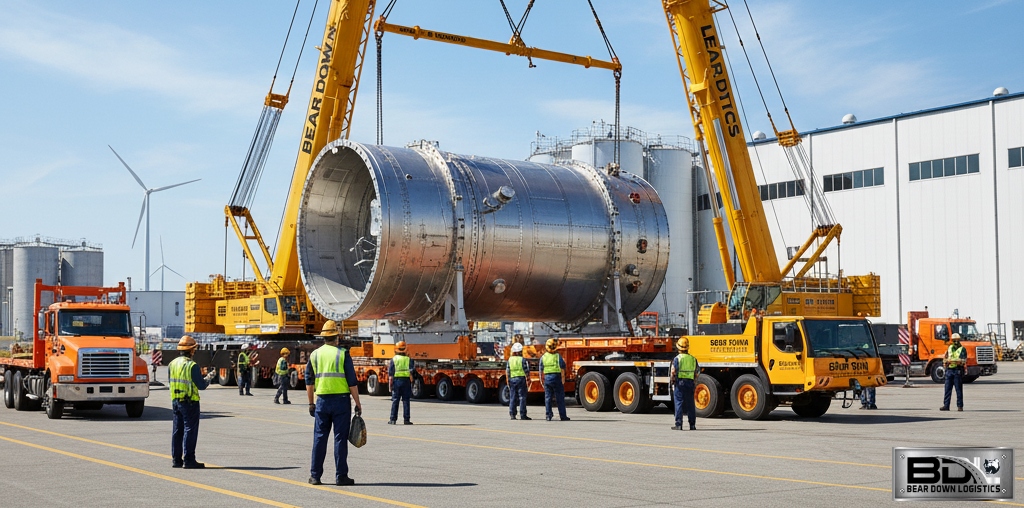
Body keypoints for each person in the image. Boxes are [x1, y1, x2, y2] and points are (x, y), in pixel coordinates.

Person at [307, 320, 363, 486]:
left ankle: (315, 476)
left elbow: (309, 382)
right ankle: (341, 476)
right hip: (341, 402)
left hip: (322, 401)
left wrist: (311, 403)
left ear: (324, 337)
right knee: (340, 439)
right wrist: (358, 403)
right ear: (336, 337)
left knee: (319, 438)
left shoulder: (315, 355)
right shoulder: (343, 354)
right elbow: (352, 381)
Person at [169, 335, 216, 468]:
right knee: (190, 430)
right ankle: (189, 460)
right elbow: (201, 385)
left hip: (176, 401)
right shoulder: (192, 365)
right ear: (192, 351)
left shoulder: (172, 364)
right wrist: (210, 376)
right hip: (190, 402)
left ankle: (176, 460)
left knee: (177, 430)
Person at [670, 337, 699, 430]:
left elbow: (673, 371)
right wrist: (694, 382)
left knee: (679, 403)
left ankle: (679, 424)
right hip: (690, 383)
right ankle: (692, 425)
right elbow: (696, 373)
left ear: (678, 348)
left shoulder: (677, 359)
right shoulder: (693, 359)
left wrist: (672, 381)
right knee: (690, 404)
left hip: (680, 383)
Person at [540, 338, 569, 421]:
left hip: (547, 379)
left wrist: (542, 381)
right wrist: (563, 378)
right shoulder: (557, 356)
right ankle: (563, 416)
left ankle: (548, 415)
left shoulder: (543, 357)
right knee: (559, 397)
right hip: (556, 378)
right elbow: (562, 367)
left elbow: (541, 369)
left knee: (548, 398)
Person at [388, 340, 416, 425]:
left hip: (397, 381)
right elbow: (412, 372)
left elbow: (391, 375)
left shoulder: (394, 359)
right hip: (406, 381)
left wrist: (390, 385)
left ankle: (393, 419)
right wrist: (412, 382)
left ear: (396, 349)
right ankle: (406, 420)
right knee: (406, 400)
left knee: (395, 400)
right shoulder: (409, 359)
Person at [940, 333, 966, 411]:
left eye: (957, 340)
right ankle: (946, 405)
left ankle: (960, 406)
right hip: (949, 370)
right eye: (954, 340)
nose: (955, 342)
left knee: (958, 390)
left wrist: (951, 361)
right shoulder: (949, 348)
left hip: (957, 370)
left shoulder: (962, 349)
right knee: (947, 389)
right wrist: (946, 362)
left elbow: (963, 361)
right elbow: (945, 358)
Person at [507, 342, 531, 420]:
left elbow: (508, 371)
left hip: (512, 379)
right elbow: (526, 370)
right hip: (521, 379)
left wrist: (508, 380)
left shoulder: (510, 359)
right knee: (522, 397)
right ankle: (523, 414)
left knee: (513, 397)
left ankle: (512, 414)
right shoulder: (522, 359)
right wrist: (528, 379)